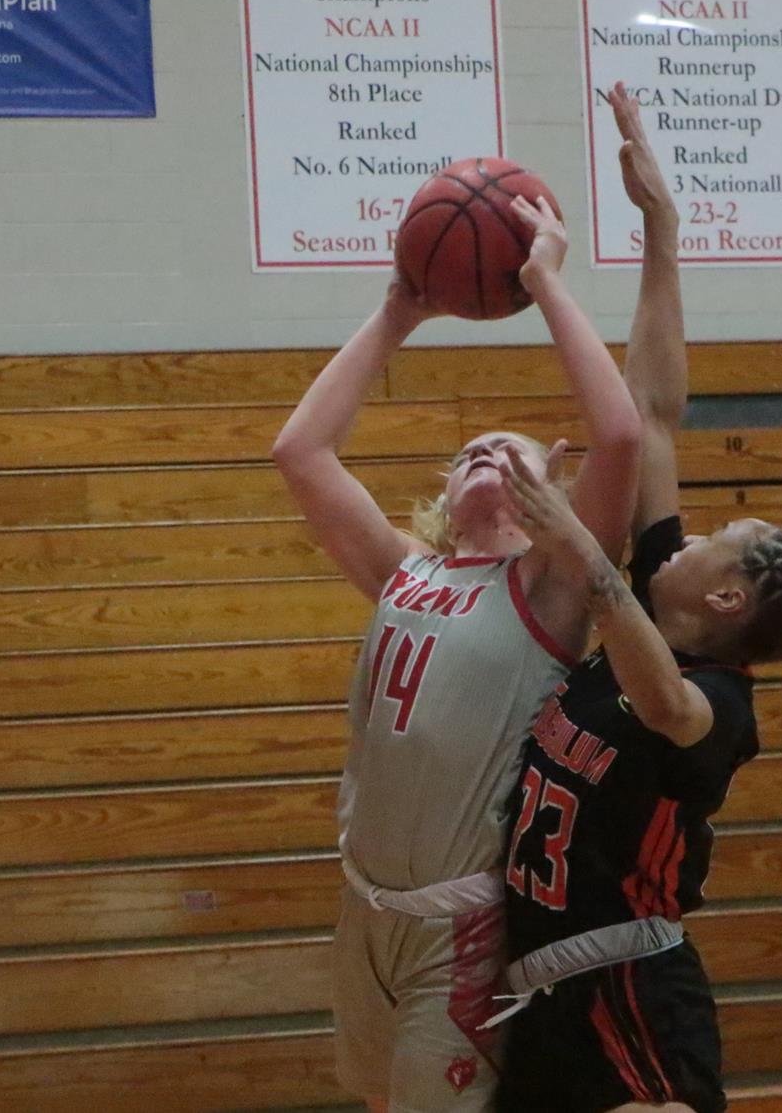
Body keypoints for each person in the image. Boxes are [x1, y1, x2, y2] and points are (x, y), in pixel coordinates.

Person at [492, 83, 782, 1113]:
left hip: (629, 986)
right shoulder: (657, 600)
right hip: (541, 991)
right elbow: (653, 414)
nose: (692, 523)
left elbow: (662, 707)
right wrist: (660, 230)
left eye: (717, 533)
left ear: (722, 595)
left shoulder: (714, 703)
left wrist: (580, 549)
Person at [271, 189, 641, 1111]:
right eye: (468, 448)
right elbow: (300, 451)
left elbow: (624, 433)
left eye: (505, 449)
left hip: (460, 923)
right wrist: (398, 312)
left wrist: (545, 282)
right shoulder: (404, 569)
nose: (481, 450)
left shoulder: (553, 590)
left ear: (549, 478)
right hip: (364, 906)